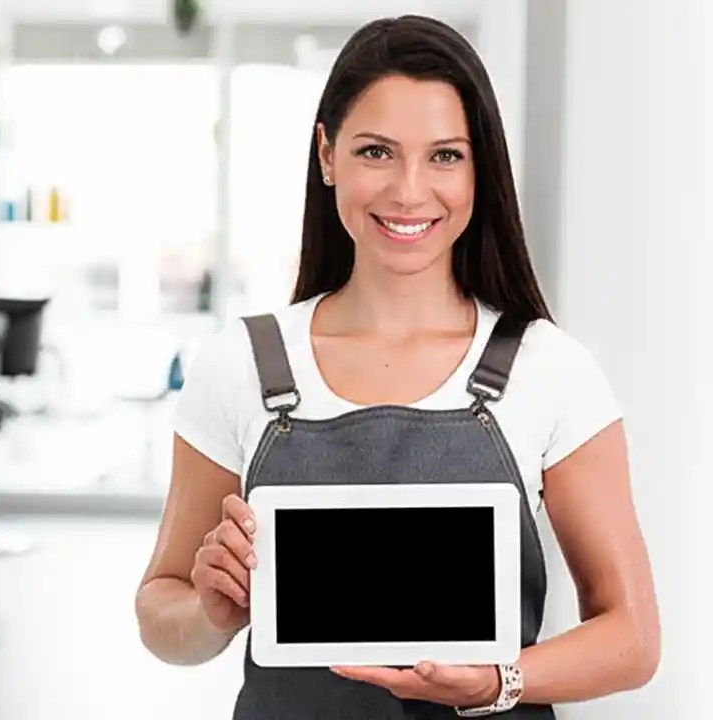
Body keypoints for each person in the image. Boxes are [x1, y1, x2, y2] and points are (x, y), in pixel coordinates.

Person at [135, 15, 659, 719]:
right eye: (377, 152)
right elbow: (161, 613)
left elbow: (633, 638)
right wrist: (211, 611)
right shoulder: (241, 365)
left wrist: (498, 682)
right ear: (327, 155)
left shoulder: (550, 370)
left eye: (445, 156)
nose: (410, 192)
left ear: (479, 168)